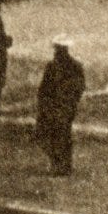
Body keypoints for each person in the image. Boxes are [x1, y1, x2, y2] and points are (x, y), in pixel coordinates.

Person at [35, 36, 85, 175]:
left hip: (58, 106)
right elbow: (79, 86)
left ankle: (59, 165)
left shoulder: (56, 66)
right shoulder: (71, 65)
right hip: (62, 107)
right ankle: (62, 164)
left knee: (56, 135)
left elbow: (44, 88)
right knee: (60, 135)